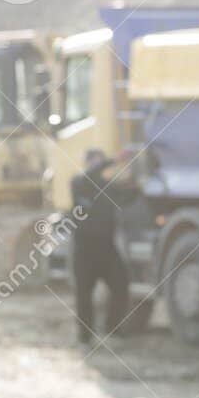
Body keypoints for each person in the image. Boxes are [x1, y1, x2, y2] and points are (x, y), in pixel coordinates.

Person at [69, 147, 138, 344]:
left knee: (121, 285)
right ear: (88, 163)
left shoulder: (108, 186)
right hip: (84, 251)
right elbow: (90, 175)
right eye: (96, 162)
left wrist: (135, 185)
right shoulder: (78, 182)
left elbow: (127, 198)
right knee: (84, 296)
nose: (98, 167)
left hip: (107, 249)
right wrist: (114, 159)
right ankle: (85, 336)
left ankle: (113, 327)